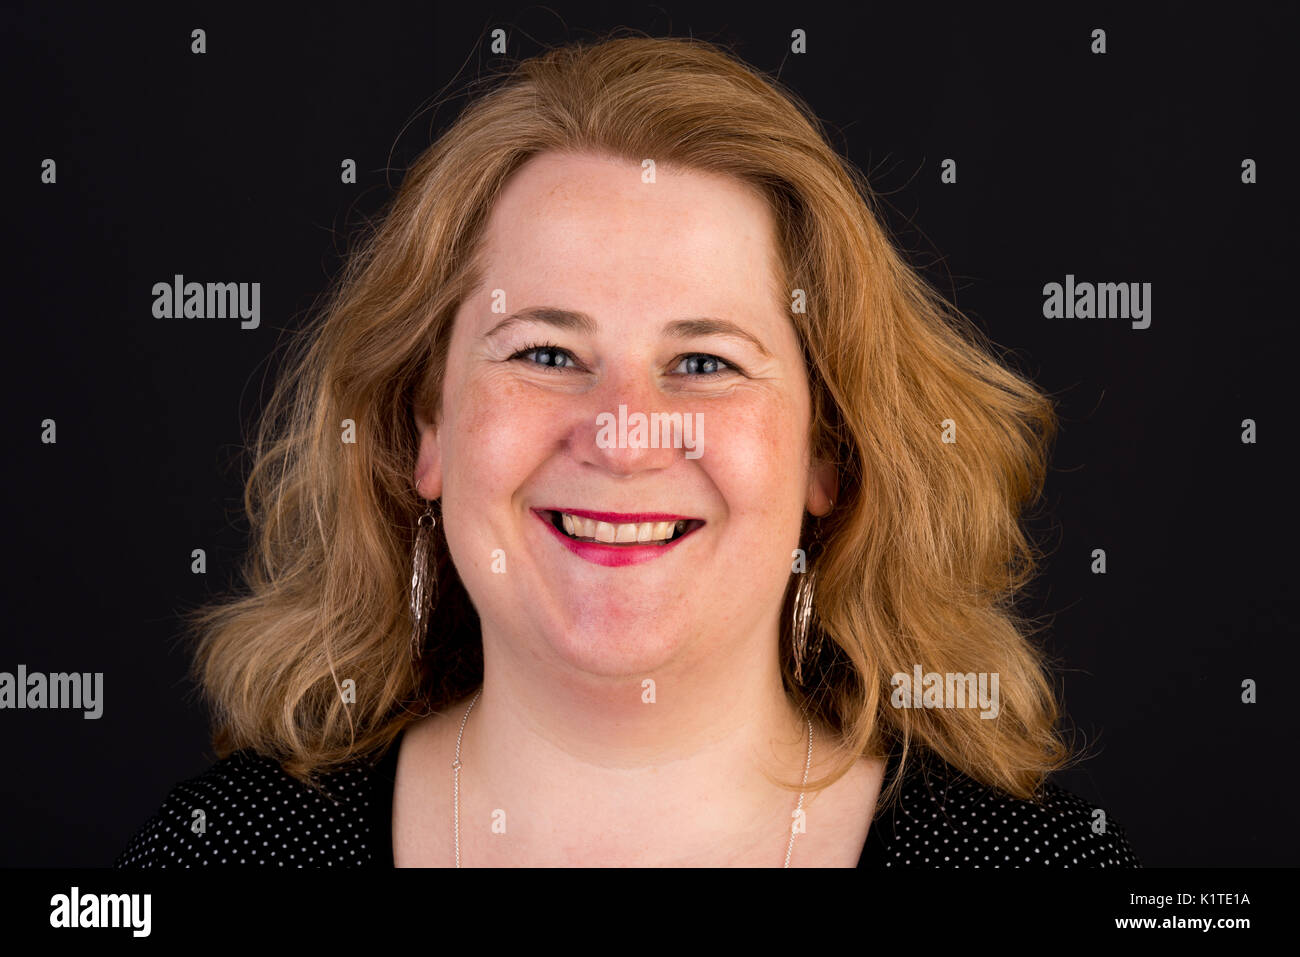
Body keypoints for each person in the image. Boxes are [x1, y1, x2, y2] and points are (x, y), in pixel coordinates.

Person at [116, 33, 1138, 868]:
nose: (621, 431)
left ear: (828, 452)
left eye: (703, 363)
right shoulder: (223, 853)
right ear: (423, 430)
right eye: (548, 351)